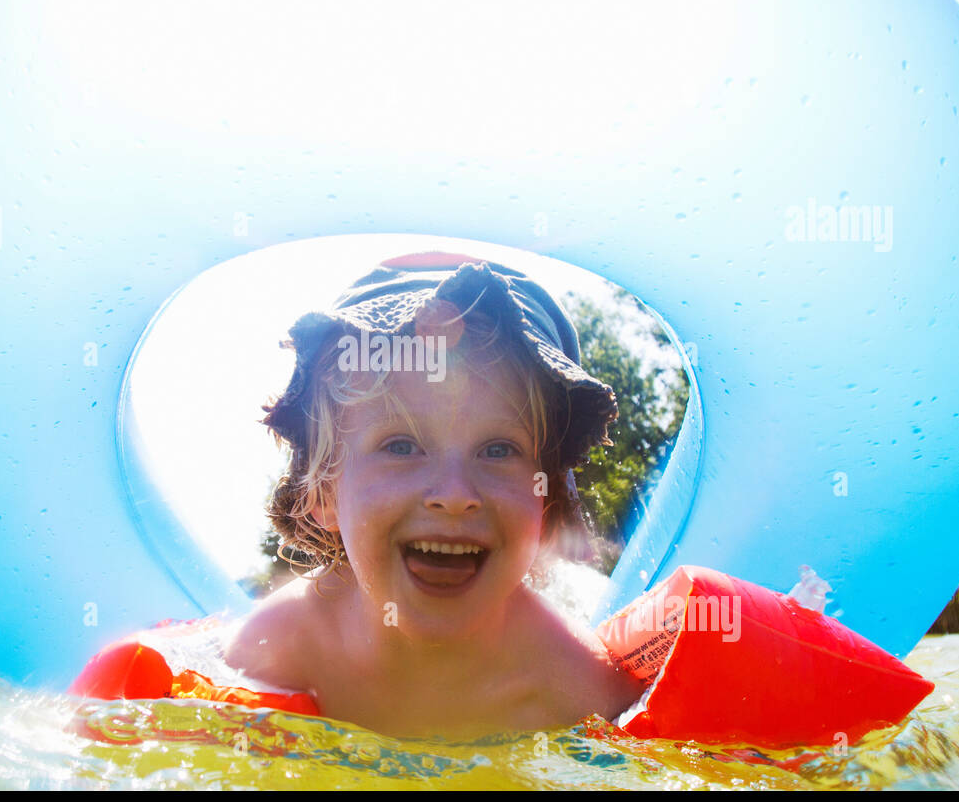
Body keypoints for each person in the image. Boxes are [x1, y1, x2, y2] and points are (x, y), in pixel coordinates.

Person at [223, 251, 646, 739]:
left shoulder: (580, 688)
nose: (454, 494)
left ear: (546, 502)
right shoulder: (281, 646)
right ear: (325, 493)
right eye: (401, 446)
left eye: (497, 450)